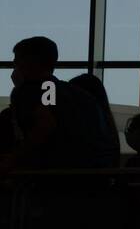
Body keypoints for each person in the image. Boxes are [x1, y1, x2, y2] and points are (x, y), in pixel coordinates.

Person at [2, 37, 117, 173]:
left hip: (55, 178)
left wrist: (13, 159)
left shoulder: (32, 90)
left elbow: (45, 124)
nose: (14, 64)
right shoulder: (78, 94)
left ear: (29, 63)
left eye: (17, 60)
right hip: (91, 177)